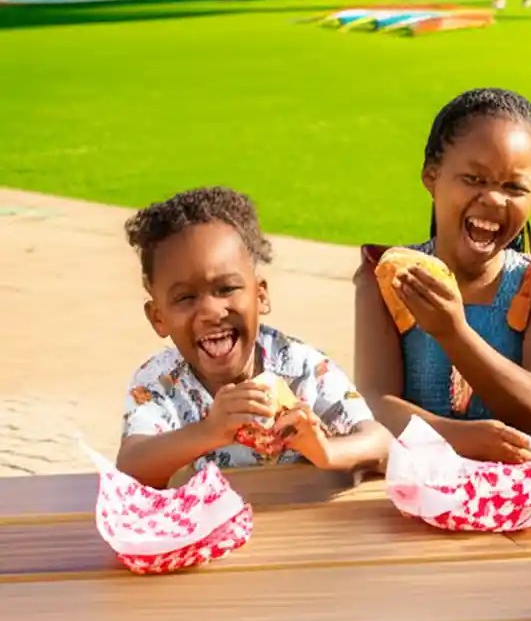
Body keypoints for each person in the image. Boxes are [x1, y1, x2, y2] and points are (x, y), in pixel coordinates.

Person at [354, 88, 531, 465]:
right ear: (432, 176)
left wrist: (454, 333)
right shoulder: (387, 275)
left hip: (519, 499)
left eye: (514, 187)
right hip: (415, 492)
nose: (493, 199)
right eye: (474, 179)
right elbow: (374, 405)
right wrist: (457, 438)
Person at [117, 187, 391, 488]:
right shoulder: (161, 382)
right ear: (159, 317)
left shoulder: (298, 368)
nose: (210, 311)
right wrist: (210, 430)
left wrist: (325, 451)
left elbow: (381, 442)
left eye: (226, 289)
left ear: (260, 295)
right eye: (185, 298)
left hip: (298, 525)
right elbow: (131, 467)